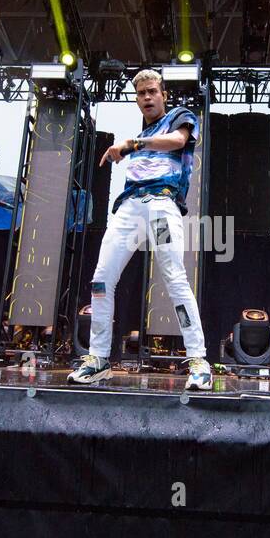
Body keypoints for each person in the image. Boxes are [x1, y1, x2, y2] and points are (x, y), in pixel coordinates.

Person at [68, 68, 212, 390]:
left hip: (161, 206)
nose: (147, 97)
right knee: (101, 280)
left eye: (152, 91)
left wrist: (132, 144)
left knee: (174, 277)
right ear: (136, 99)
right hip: (129, 210)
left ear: (163, 95)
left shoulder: (180, 117)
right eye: (141, 93)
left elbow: (177, 142)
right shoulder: (142, 133)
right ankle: (99, 358)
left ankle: (199, 359)